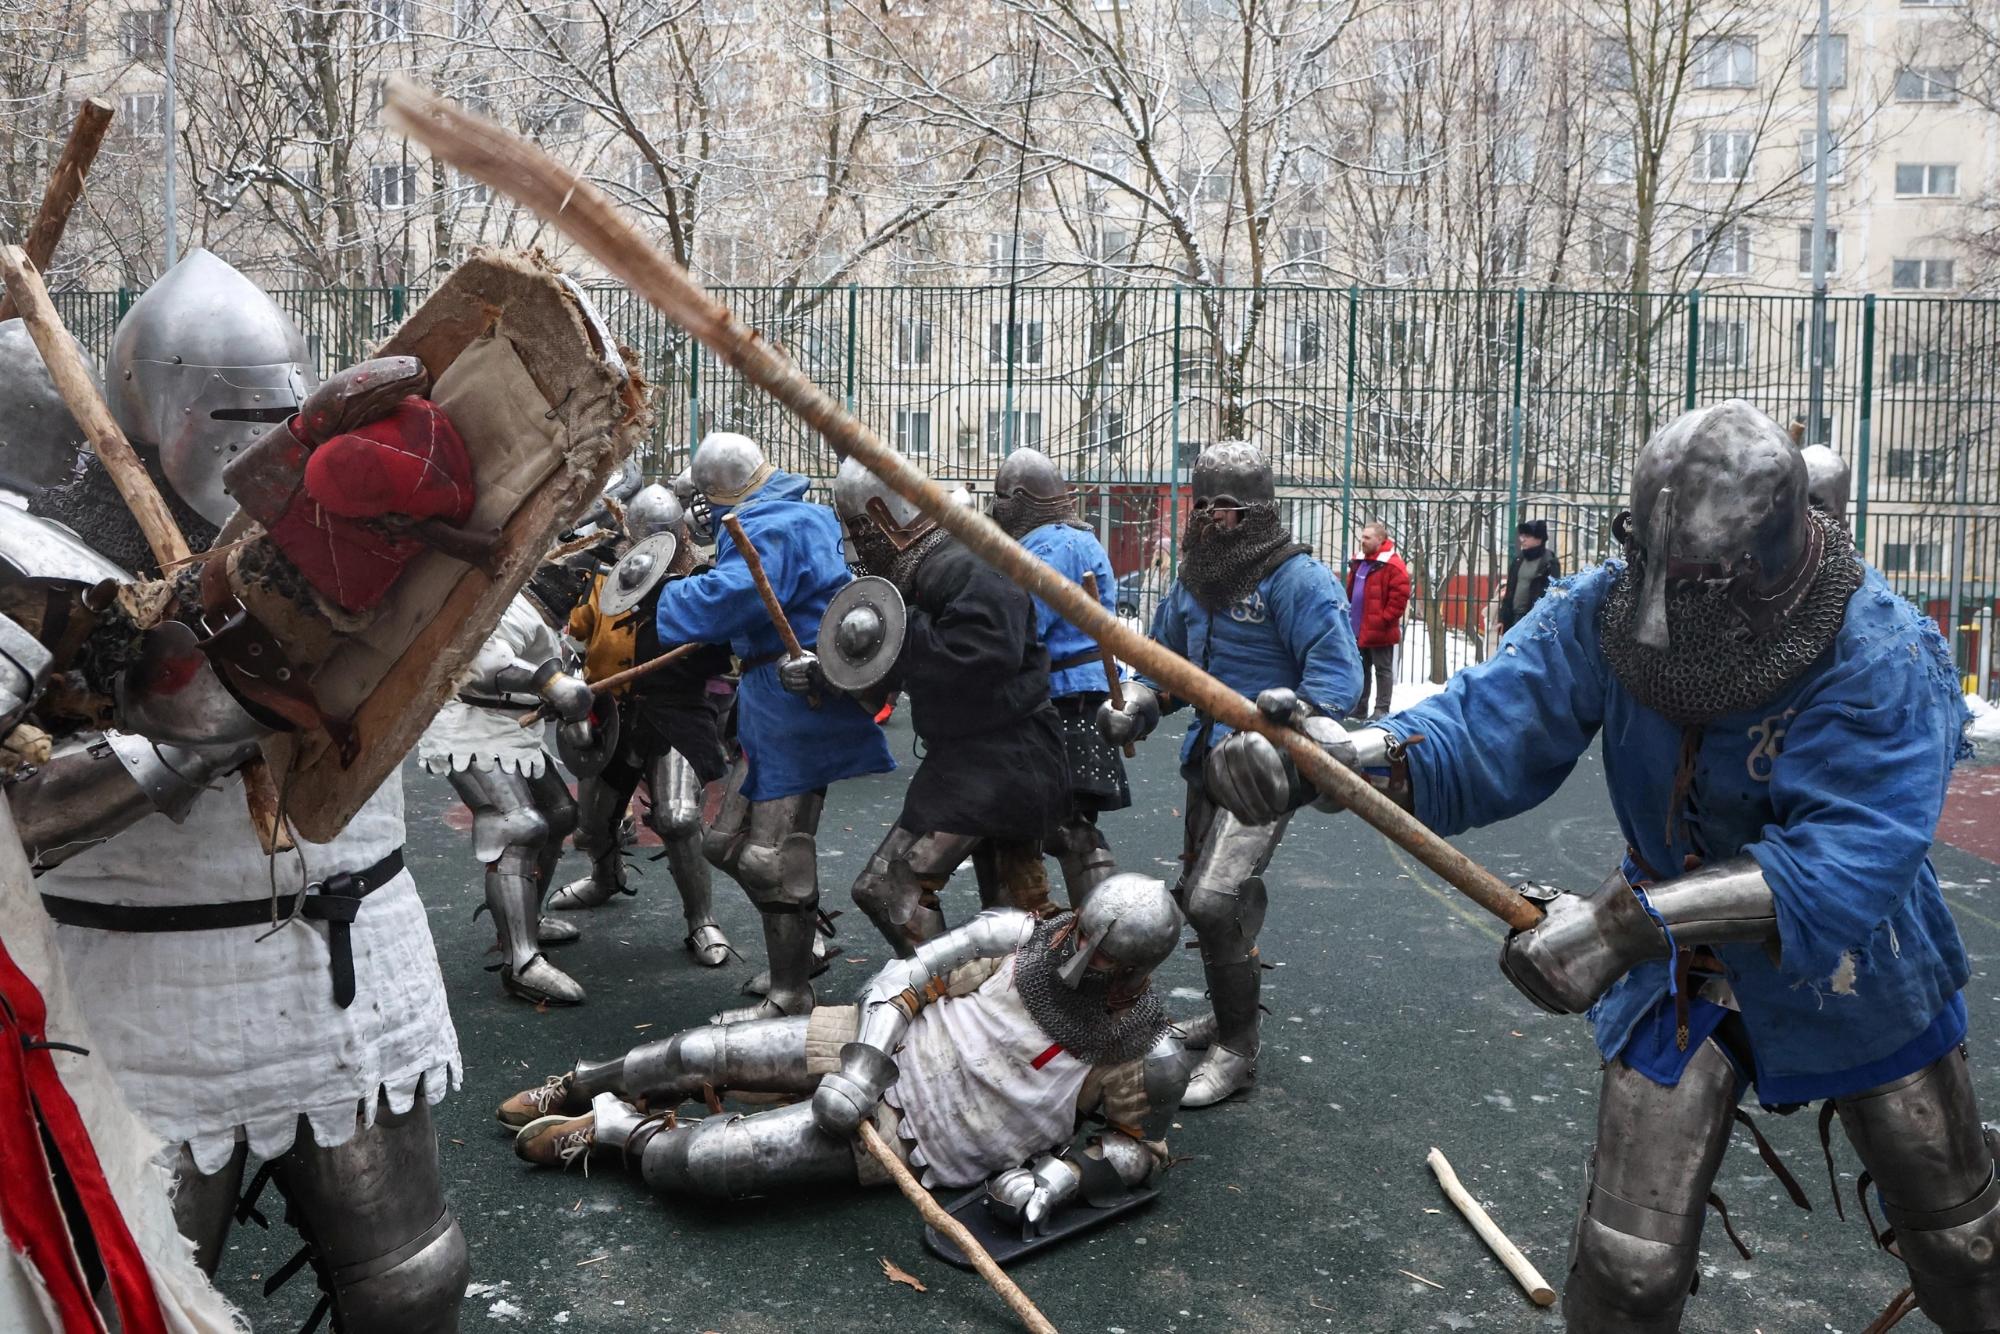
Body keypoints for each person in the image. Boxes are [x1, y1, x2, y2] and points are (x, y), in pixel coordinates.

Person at [1203, 400, 1997, 1333]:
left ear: (1769, 566)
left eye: (1693, 581)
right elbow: (1486, 721)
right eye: (1644, 560)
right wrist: (1343, 759)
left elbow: (1841, 867)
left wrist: (1621, 926)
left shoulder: (1885, 649)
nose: (1655, 614)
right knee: (1628, 1270)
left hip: (1859, 969)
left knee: (1963, 1245)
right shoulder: (1608, 606)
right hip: (1682, 976)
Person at [24, 251, 468, 1329]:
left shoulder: (350, 521)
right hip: (151, 999)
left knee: (411, 1276)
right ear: (142, 402)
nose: (249, 428)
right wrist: (192, 733)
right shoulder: (37, 553)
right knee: (139, 1281)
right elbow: (17, 810)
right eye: (225, 403)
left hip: (351, 972)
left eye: (277, 403)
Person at [497, 875, 1193, 1230]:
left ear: (1136, 974)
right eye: (1077, 942)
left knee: (706, 1163)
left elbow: (1138, 1153)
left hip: (929, 1138)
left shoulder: (1147, 1054)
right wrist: (864, 1065)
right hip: (876, 1043)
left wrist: (1057, 1183)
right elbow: (908, 977)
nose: (1074, 966)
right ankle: (585, 1081)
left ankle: (621, 1131)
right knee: (695, 1049)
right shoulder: (1017, 937)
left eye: (1100, 966)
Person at [1096, 441, 1361, 1107]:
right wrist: (1137, 708)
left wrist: (1294, 710)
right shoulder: (1194, 581)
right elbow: (1165, 669)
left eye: (1230, 509)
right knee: (1199, 897)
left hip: (1264, 768)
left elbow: (1336, 683)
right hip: (1206, 762)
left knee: (1216, 903)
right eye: (1204, 505)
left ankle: (1238, 1049)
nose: (1214, 519)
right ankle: (1224, 1013)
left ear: (1261, 512)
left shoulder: (1299, 581)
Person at [657, 432, 896, 1022]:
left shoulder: (769, 525)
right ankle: (802, 935)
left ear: (720, 490)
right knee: (722, 844)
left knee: (770, 858)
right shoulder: (792, 515)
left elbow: (733, 598)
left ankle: (791, 990)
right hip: (771, 701)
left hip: (797, 703)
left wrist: (662, 594)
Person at [803, 456, 1069, 956]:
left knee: (888, 888)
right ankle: (1000, 1013)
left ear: (886, 515)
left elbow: (986, 651)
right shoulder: (932, 566)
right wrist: (826, 669)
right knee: (1011, 919)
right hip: (981, 758)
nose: (858, 543)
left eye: (860, 527)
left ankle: (945, 999)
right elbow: (895, 671)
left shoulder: (966, 561)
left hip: (1003, 758)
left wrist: (896, 633)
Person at [549, 484, 738, 970]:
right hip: (613, 713)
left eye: (664, 532)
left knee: (677, 818)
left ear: (678, 532)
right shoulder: (608, 577)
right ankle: (605, 877)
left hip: (675, 713)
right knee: (590, 829)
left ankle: (701, 920)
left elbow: (724, 650)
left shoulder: (699, 579)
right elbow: (579, 630)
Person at [416, 591, 592, 1004]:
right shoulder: (513, 602)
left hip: (510, 724)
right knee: (520, 828)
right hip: (468, 722)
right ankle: (521, 961)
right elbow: (480, 665)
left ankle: (527, 916)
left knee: (560, 813)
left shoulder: (545, 607)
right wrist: (550, 682)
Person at [987, 447, 1127, 900]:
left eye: (1002, 497)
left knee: (1066, 826)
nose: (995, 509)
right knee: (1032, 821)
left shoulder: (1051, 546)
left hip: (1068, 701)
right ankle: (1042, 934)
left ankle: (1107, 939)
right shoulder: (1067, 538)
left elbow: (1024, 629)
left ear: (1024, 499)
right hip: (1070, 695)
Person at [1343, 519, 1409, 720]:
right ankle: (1360, 708)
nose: (1362, 541)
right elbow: (1351, 590)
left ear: (1380, 540)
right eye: (1362, 537)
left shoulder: (1392, 564)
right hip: (1359, 627)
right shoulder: (1360, 561)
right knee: (1361, 670)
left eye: (1367, 537)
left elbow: (1400, 596)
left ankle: (1381, 709)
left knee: (1382, 670)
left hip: (1380, 629)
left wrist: (1384, 619)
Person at [1493, 518, 1560, 636]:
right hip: (1514, 617)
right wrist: (1503, 618)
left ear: (1539, 538)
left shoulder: (1549, 563)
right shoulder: (1519, 560)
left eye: (1527, 536)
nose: (1522, 539)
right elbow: (1510, 591)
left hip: (1533, 619)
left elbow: (1550, 596)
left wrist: (1538, 620)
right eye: (1521, 535)